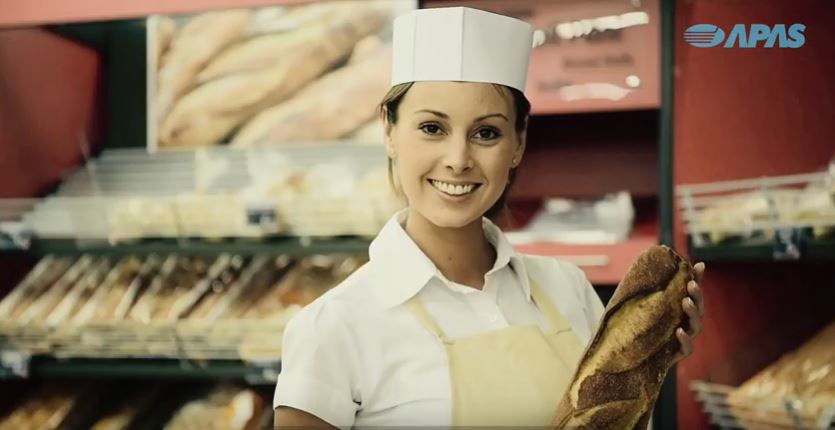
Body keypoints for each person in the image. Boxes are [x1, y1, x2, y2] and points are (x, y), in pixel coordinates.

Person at [273, 6, 705, 428]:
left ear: (517, 143)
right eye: (432, 128)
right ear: (389, 130)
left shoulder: (567, 288)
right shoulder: (333, 326)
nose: (458, 160)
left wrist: (650, 365)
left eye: (486, 133)